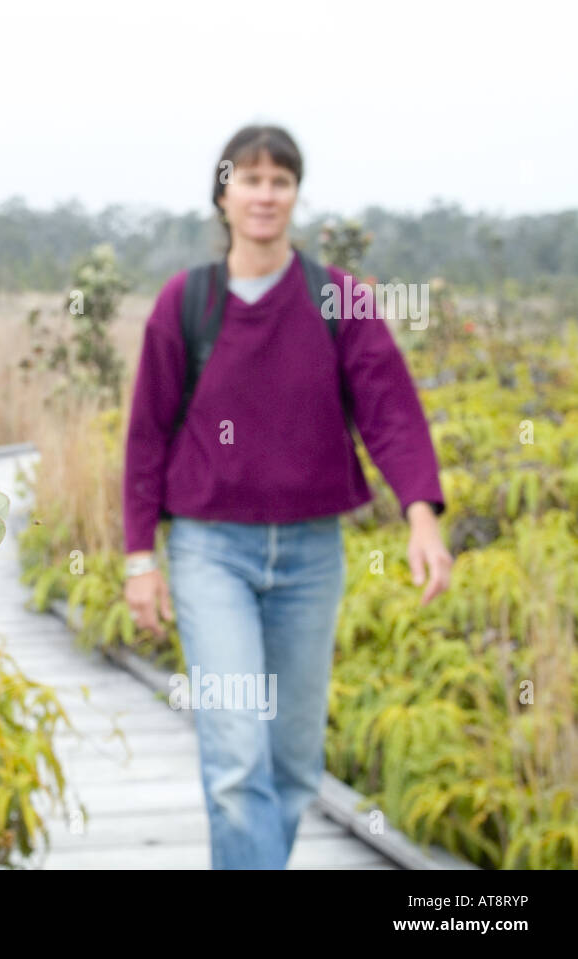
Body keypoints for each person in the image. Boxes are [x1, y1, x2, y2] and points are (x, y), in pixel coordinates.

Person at [121, 124, 454, 869]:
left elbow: (390, 410)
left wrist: (422, 515)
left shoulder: (338, 300)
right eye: (251, 179)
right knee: (238, 757)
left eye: (280, 180)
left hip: (312, 554)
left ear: (295, 195)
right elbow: (146, 437)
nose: (265, 194)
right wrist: (139, 556)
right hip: (211, 551)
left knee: (295, 766)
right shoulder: (188, 302)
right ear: (223, 193)